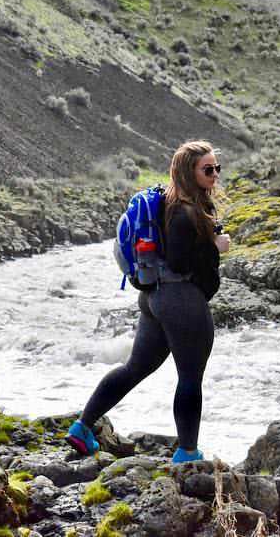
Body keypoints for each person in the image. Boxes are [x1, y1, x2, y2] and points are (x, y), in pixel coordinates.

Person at [66, 140, 231, 463]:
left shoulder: (171, 204)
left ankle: (83, 428)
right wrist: (215, 245)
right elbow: (182, 262)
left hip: (154, 297)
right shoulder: (184, 213)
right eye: (207, 169)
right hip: (181, 301)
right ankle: (187, 453)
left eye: (217, 168)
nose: (214, 175)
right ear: (189, 172)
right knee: (190, 378)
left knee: (135, 367)